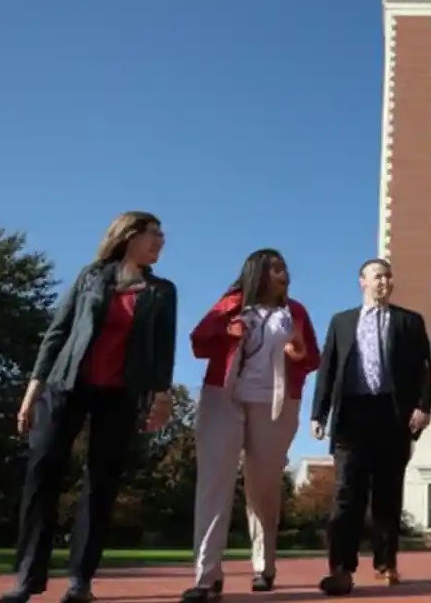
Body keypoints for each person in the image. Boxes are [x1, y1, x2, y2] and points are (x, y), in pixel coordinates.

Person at [0, 211, 177, 603]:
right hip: (66, 387)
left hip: (120, 395)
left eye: (162, 236)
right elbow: (57, 332)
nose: (161, 241)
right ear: (129, 235)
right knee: (42, 473)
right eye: (155, 234)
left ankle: (80, 580)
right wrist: (32, 391)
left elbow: (163, 351)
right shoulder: (91, 276)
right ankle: (28, 577)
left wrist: (161, 397)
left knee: (101, 484)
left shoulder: (162, 291)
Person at [182, 249, 320, 602]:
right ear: (258, 272)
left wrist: (299, 352)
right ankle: (207, 576)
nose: (284, 273)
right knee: (215, 484)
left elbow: (313, 359)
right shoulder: (230, 302)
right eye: (275, 268)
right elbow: (199, 343)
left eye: (285, 267)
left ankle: (264, 566)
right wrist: (227, 328)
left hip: (276, 405)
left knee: (263, 488)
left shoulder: (296, 312)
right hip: (224, 400)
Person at [309, 258, 431, 596]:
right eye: (377, 276)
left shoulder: (409, 321)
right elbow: (328, 369)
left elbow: (425, 368)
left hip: (392, 414)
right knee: (347, 493)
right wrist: (318, 414)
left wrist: (423, 407)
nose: (384, 282)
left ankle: (385, 562)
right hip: (351, 414)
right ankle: (341, 567)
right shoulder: (342, 322)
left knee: (387, 495)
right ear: (362, 282)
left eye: (388, 277)